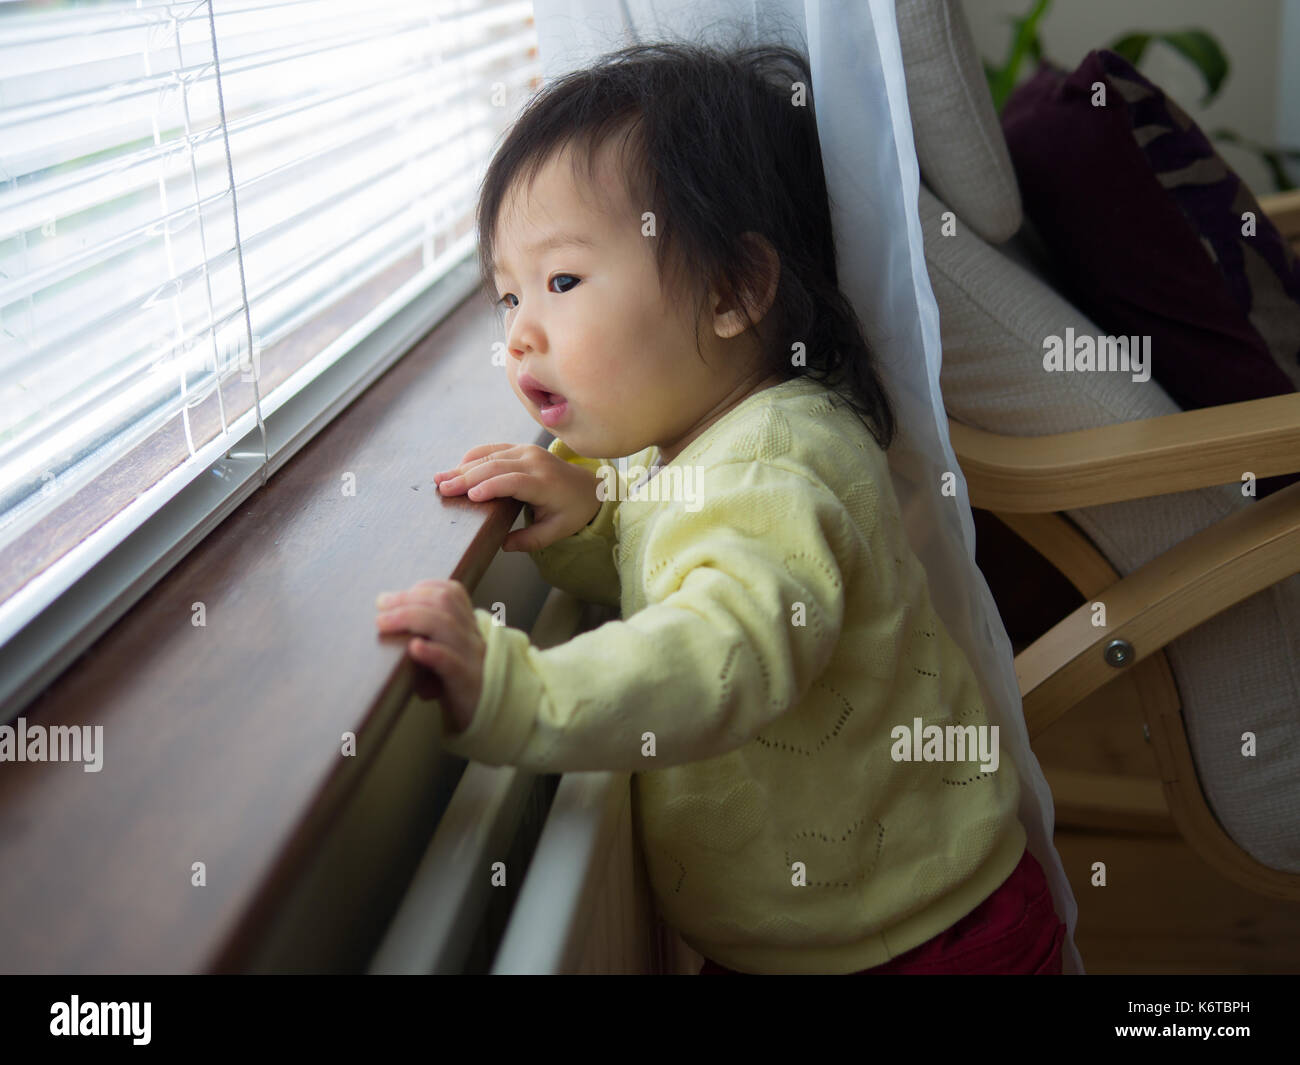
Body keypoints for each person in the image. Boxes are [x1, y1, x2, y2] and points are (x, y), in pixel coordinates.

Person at [373, 37, 1066, 975]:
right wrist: (596, 524)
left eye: (563, 281)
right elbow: (684, 561)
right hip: (846, 927)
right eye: (507, 296)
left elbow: (717, 653)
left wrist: (521, 691)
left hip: (919, 940)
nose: (521, 333)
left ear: (735, 290)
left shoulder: (773, 469)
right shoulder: (714, 435)